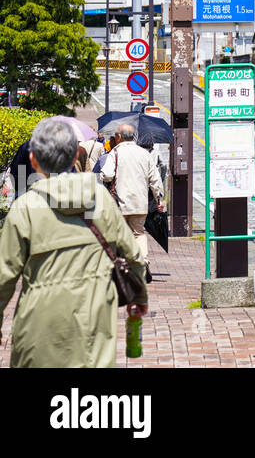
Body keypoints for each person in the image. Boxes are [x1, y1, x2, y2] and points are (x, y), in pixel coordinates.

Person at [0, 117, 147, 367]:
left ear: (34, 160)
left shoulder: (25, 207)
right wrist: (139, 299)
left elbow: (4, 276)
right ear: (74, 157)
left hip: (38, 328)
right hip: (95, 323)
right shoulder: (99, 199)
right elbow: (132, 256)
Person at [100, 123, 164, 279]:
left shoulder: (115, 153)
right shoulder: (144, 153)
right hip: (140, 202)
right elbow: (155, 179)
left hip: (120, 203)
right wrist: (160, 199)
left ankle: (121, 266)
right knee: (139, 233)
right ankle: (143, 261)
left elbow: (106, 175)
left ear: (119, 137)